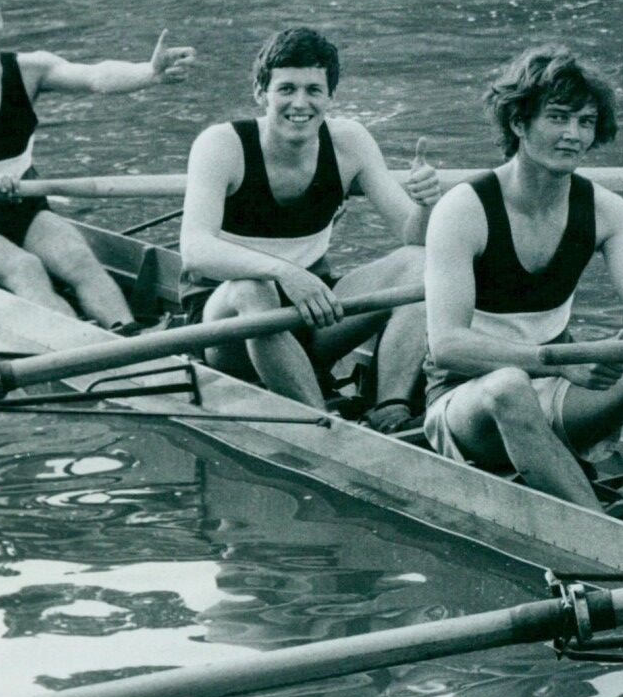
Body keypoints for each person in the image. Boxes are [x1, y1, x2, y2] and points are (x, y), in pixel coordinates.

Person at [421, 43, 623, 540]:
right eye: (558, 117)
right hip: (466, 402)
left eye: (586, 122)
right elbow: (448, 346)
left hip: (554, 386)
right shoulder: (464, 209)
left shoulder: (607, 210)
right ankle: (607, 537)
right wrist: (561, 361)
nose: (574, 135)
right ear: (518, 122)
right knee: (508, 386)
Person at [180, 27, 440, 427]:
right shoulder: (222, 145)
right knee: (255, 287)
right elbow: (195, 249)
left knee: (421, 262)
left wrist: (425, 206)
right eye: (286, 89)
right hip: (225, 327)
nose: (299, 104)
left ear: (329, 97)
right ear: (260, 92)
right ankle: (324, 423)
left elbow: (413, 236)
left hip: (313, 314)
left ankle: (389, 407)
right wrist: (284, 271)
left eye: (313, 91)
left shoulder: (350, 142)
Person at [0, 0, 196, 331]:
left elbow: (95, 76)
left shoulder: (32, 70)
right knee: (23, 267)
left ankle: (132, 337)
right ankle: (84, 349)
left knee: (80, 260)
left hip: (21, 205)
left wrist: (148, 73)